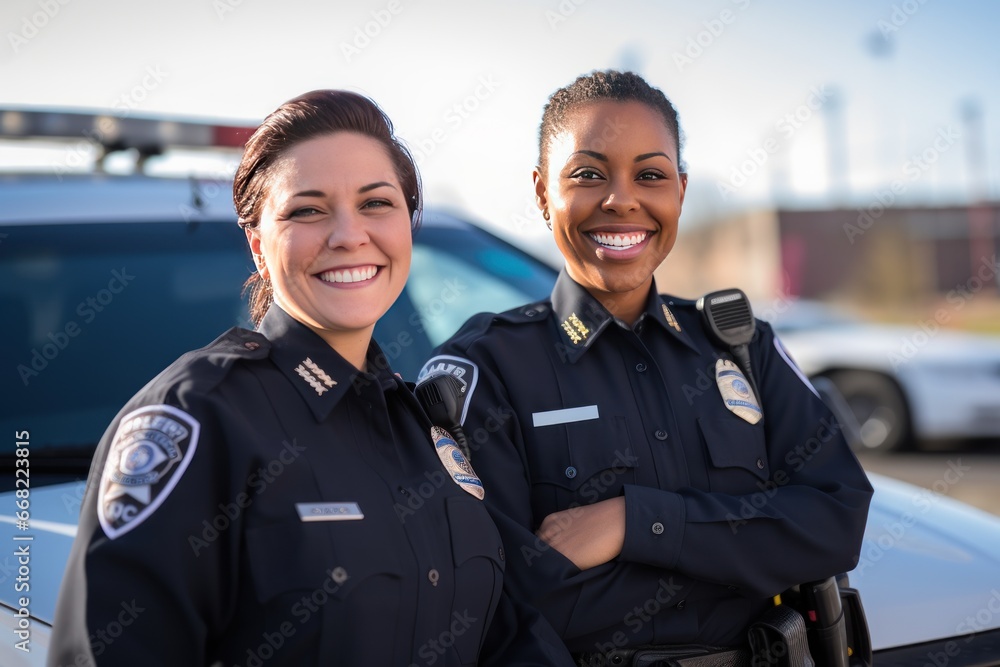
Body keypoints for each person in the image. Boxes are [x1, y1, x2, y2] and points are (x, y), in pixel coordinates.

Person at [48, 90, 574, 667]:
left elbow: (504, 635)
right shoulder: (200, 421)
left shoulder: (424, 428)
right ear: (257, 246)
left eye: (376, 203)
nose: (349, 234)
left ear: (407, 225)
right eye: (307, 210)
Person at [419, 70, 873, 663]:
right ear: (540, 191)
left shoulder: (741, 347)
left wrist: (634, 522)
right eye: (587, 175)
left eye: (651, 175)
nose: (622, 199)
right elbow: (511, 594)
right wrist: (750, 547)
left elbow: (836, 521)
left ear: (680, 191)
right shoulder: (485, 368)